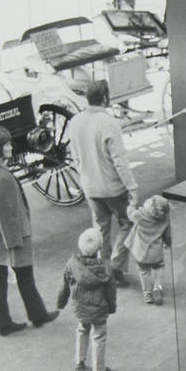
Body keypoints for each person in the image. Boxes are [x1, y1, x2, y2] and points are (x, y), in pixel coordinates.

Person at [0, 127, 58, 336]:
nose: (11, 146)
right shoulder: (2, 176)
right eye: (7, 144)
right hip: (9, 237)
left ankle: (3, 322)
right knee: (25, 276)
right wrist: (17, 243)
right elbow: (10, 216)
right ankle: (38, 315)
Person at [66, 79, 139, 287]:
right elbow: (120, 161)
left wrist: (85, 178)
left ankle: (103, 271)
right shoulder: (109, 123)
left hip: (90, 187)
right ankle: (115, 266)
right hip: (114, 188)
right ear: (106, 98)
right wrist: (132, 187)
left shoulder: (75, 121)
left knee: (101, 231)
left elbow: (75, 157)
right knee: (128, 223)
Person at [56, 227, 118, 371]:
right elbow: (111, 291)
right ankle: (99, 370)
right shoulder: (105, 268)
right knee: (99, 336)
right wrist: (111, 307)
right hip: (99, 308)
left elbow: (64, 286)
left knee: (82, 329)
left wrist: (60, 303)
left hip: (80, 306)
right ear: (99, 248)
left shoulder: (72, 264)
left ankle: (80, 360)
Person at [125, 195, 171, 305]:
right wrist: (167, 244)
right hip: (156, 253)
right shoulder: (164, 220)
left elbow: (130, 213)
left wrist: (132, 203)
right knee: (160, 267)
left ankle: (147, 293)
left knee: (144, 272)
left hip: (140, 252)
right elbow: (167, 236)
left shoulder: (140, 216)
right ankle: (157, 286)